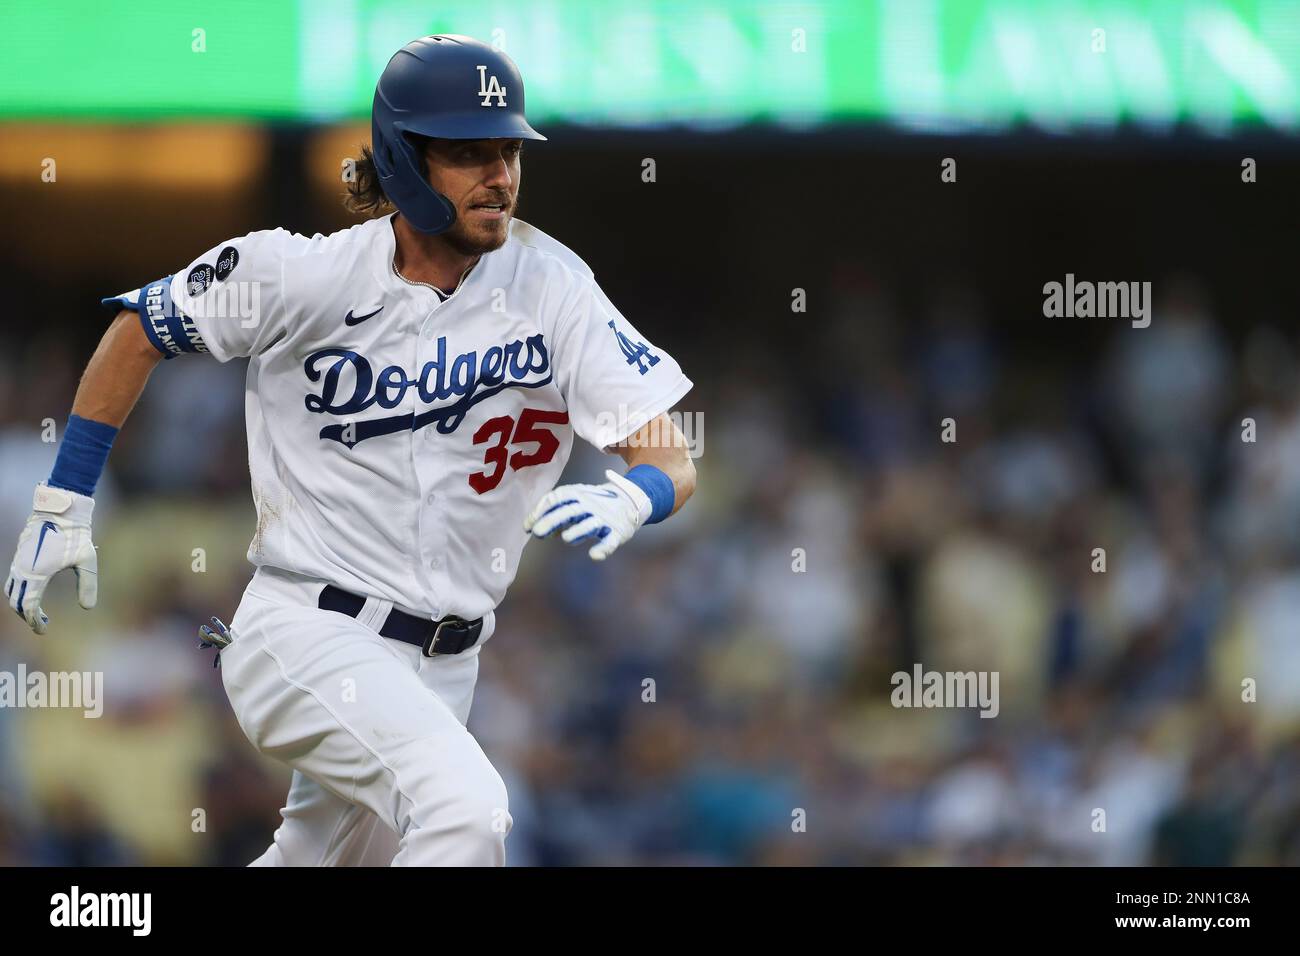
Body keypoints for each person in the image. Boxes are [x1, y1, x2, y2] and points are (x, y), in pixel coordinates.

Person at [5, 34, 695, 866]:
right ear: (403, 159)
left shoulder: (551, 284)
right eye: (470, 152)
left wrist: (636, 494)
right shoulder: (301, 274)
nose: (502, 174)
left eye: (510, 149)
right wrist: (66, 495)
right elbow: (138, 329)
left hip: (448, 661)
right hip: (307, 630)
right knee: (467, 815)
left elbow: (670, 455)